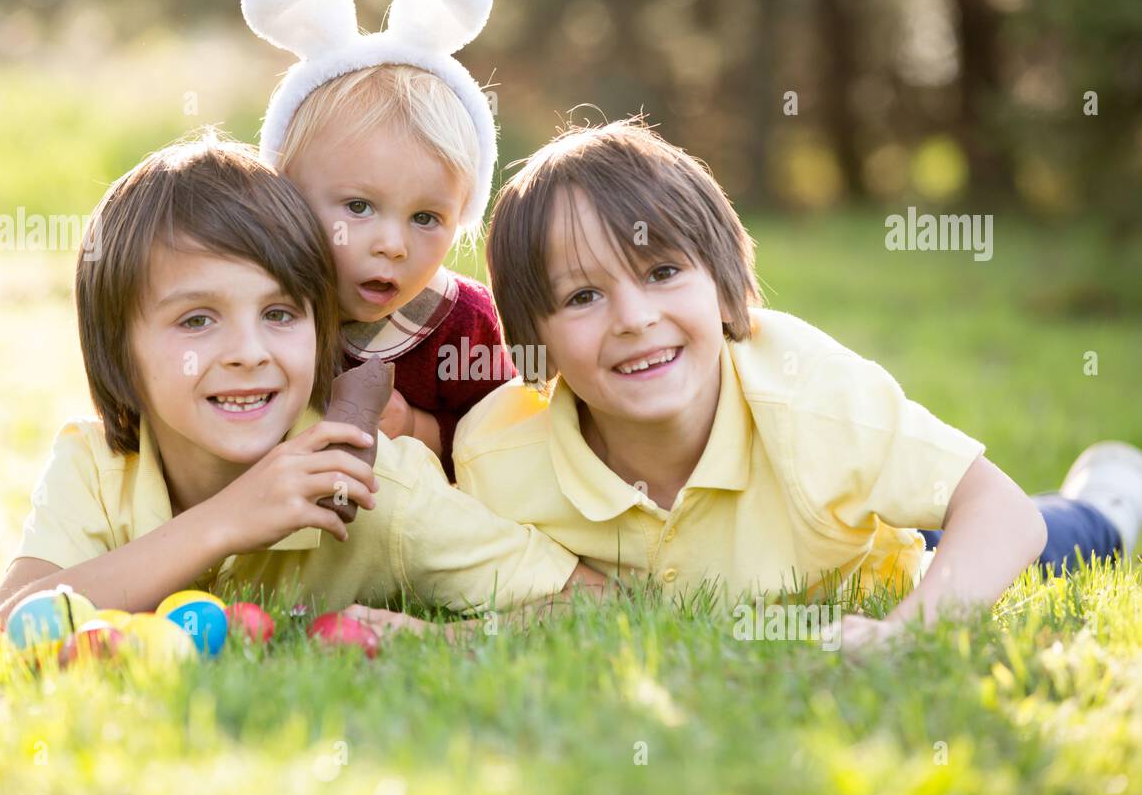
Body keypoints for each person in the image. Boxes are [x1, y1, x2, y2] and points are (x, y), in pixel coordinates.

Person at [446, 118, 1142, 652]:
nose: (634, 319)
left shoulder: (811, 399)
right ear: (534, 340)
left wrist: (906, 633)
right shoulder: (497, 461)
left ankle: (1108, 501)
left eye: (662, 273)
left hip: (868, 542)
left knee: (1045, 539)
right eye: (581, 297)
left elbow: (1003, 512)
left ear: (724, 290)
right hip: (806, 519)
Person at [0, 134, 596, 624]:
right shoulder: (94, 466)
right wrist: (226, 518)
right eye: (197, 320)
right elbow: (5, 628)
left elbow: (593, 599)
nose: (249, 352)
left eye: (279, 314)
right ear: (118, 353)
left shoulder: (375, 481)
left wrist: (434, 641)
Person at [240, 0, 516, 479]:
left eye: (425, 218)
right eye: (359, 207)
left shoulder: (463, 325)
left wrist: (414, 427)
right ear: (286, 196)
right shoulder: (252, 303)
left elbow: (506, 443)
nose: (392, 244)